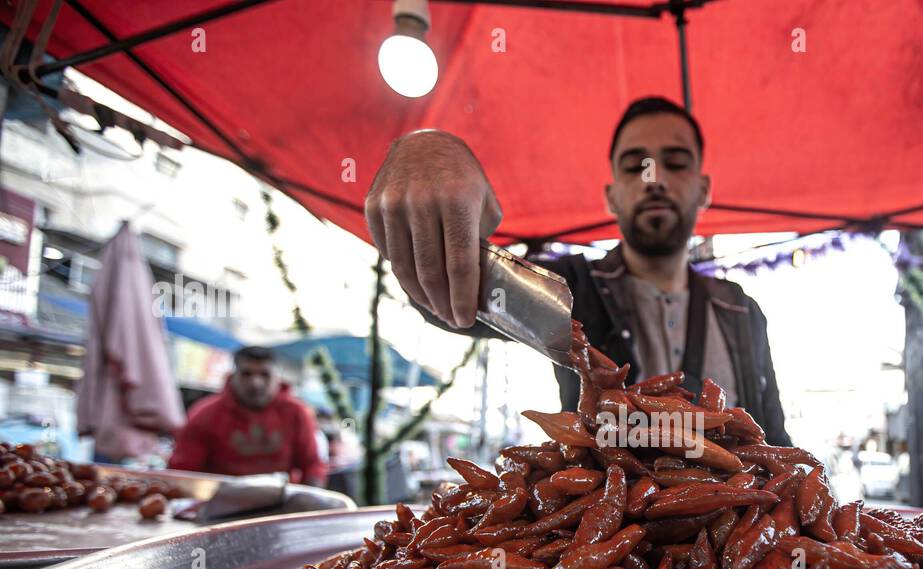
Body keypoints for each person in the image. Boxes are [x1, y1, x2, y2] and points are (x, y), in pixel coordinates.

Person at [365, 96, 791, 445]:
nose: (654, 179)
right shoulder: (571, 290)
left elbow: (776, 439)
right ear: (610, 195)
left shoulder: (740, 309)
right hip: (606, 541)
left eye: (676, 163)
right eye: (634, 165)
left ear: (703, 190)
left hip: (741, 544)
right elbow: (453, 298)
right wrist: (427, 151)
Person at [169, 346, 326, 486]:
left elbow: (312, 465)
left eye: (265, 375)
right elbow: (183, 471)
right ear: (233, 376)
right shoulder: (204, 414)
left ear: (277, 378)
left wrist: (308, 503)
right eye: (247, 374)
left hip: (281, 506)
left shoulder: (296, 413)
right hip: (219, 508)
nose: (256, 383)